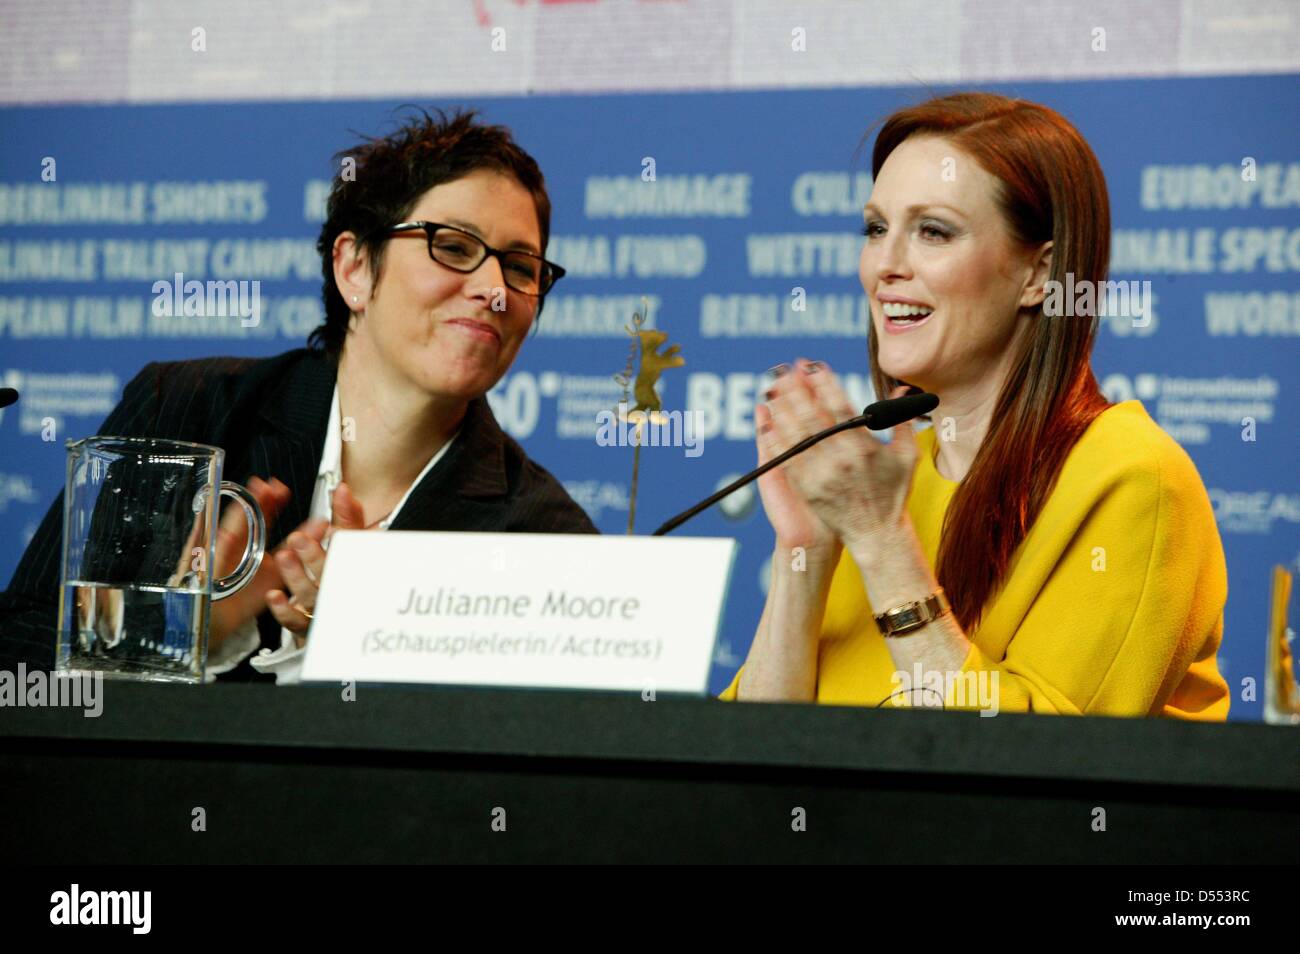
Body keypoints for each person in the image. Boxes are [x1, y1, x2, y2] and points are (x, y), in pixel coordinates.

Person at [0, 109, 597, 683]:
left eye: (521, 268)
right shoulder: (184, 410)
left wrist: (355, 656)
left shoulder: (541, 536)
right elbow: (15, 655)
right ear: (355, 268)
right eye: (455, 247)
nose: (495, 290)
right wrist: (183, 638)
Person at [721, 92, 1229, 718]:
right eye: (877, 229)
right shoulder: (879, 488)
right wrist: (807, 547)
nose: (885, 264)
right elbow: (751, 773)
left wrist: (881, 541)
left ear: (1040, 275)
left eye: (932, 231)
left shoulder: (1135, 479)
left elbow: (1030, 783)